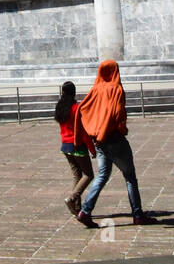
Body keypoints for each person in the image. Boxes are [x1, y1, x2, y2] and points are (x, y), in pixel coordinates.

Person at [75, 59, 155, 227]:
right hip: (114, 138)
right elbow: (118, 112)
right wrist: (121, 128)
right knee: (130, 177)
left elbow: (83, 109)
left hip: (99, 140)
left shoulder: (95, 89)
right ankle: (138, 214)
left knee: (103, 175)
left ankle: (85, 211)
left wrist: (93, 129)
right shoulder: (116, 89)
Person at [55, 80, 95, 216]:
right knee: (89, 174)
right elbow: (83, 132)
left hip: (65, 146)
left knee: (77, 175)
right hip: (77, 146)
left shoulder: (60, 107)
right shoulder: (76, 108)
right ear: (74, 92)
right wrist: (92, 149)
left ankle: (76, 207)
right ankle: (72, 198)